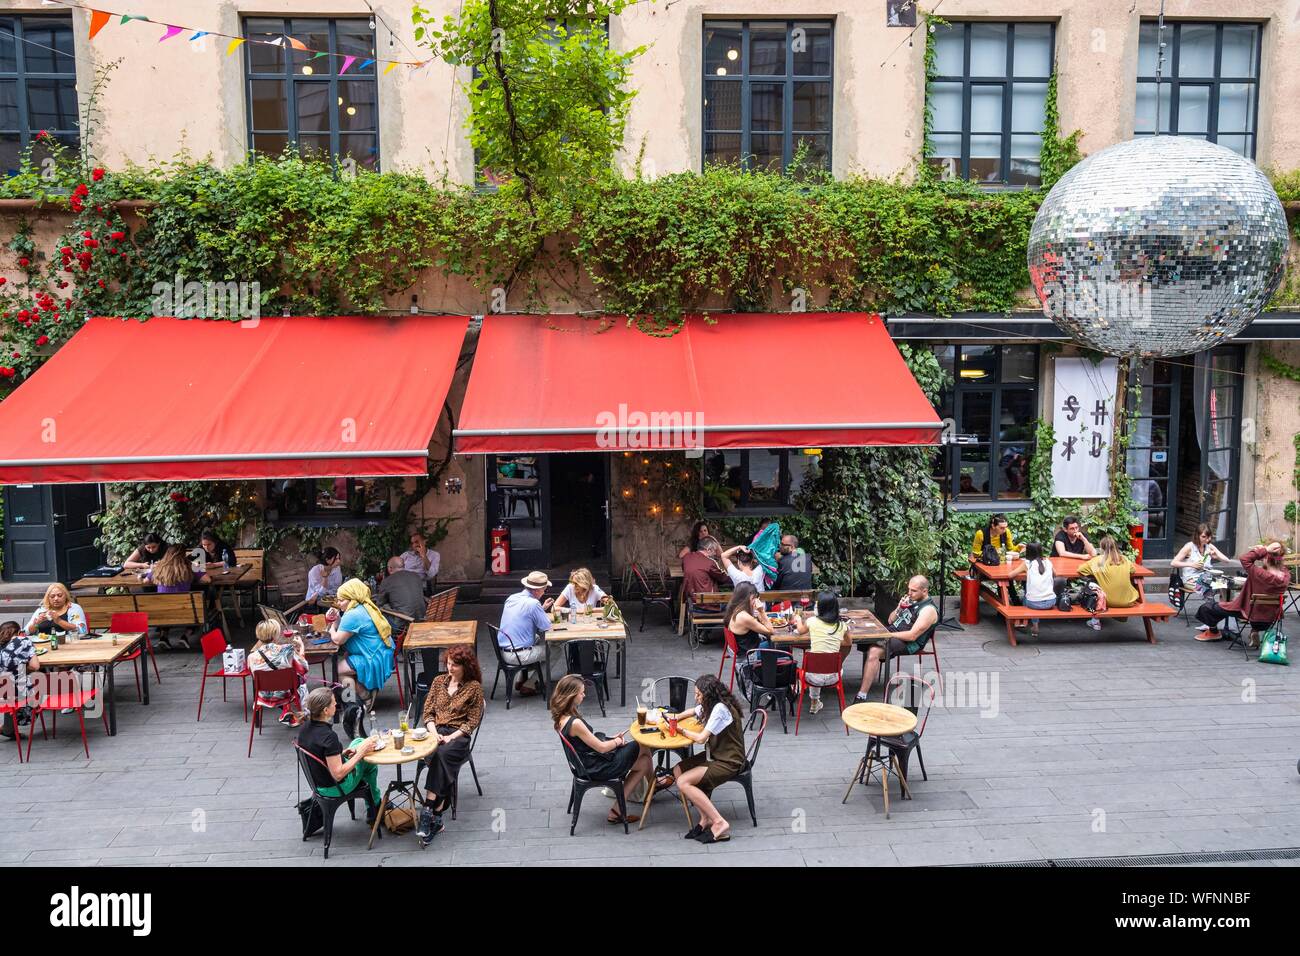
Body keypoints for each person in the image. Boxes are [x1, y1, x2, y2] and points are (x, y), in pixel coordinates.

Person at [552, 674, 653, 827]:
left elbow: (587, 742)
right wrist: (618, 741)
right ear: (571, 695)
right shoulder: (575, 723)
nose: (584, 695)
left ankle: (618, 809)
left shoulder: (562, 717)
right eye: (581, 692)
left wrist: (612, 739)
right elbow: (601, 747)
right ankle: (654, 785)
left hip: (586, 763)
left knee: (645, 761)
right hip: (596, 768)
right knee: (642, 744)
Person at [663, 674, 747, 844]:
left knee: (683, 782)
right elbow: (693, 711)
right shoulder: (711, 705)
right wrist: (674, 718)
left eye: (699, 695)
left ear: (709, 695)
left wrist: (680, 730)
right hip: (715, 753)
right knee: (678, 770)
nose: (696, 698)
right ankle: (705, 818)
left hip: (729, 761)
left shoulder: (720, 709)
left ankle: (719, 822)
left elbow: (701, 739)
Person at [417, 645, 486, 844]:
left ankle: (428, 809)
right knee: (439, 755)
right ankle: (436, 816)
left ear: (466, 666)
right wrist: (434, 733)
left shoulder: (474, 688)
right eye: (448, 663)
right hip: (435, 732)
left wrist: (451, 737)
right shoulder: (438, 682)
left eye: (455, 665)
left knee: (441, 756)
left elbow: (471, 722)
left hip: (458, 736)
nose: (450, 668)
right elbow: (428, 713)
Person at [297, 686, 380, 825]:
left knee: (359, 741)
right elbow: (338, 774)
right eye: (334, 703)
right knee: (369, 763)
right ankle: (374, 806)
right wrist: (360, 753)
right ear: (325, 710)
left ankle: (373, 803)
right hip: (334, 787)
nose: (336, 704)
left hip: (318, 782)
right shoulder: (329, 737)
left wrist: (343, 753)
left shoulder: (305, 727)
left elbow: (319, 754)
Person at [855, 575, 938, 701]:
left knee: (874, 651)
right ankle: (836, 675)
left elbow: (912, 636)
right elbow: (890, 620)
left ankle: (861, 695)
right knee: (860, 636)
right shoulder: (912, 600)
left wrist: (887, 635)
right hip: (892, 632)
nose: (909, 593)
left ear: (924, 591)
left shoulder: (928, 610)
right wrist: (900, 607)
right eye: (909, 589)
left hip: (908, 642)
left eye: (913, 591)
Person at [1194, 541, 1289, 643]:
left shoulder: (1260, 574)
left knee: (1207, 608)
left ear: (1265, 558)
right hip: (1270, 618)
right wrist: (1267, 552)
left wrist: (1264, 550)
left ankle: (1213, 632)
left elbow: (1244, 559)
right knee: (1255, 607)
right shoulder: (1285, 575)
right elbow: (1276, 565)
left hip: (1249, 612)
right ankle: (1254, 631)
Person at [328, 578, 395, 706]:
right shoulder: (365, 606)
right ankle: (351, 701)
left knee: (338, 669)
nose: (339, 603)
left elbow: (338, 639)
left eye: (342, 600)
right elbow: (345, 627)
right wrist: (337, 618)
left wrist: (331, 628)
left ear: (352, 599)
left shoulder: (353, 614)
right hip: (382, 652)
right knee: (346, 667)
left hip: (374, 658)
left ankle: (363, 696)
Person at [497, 570, 554, 697]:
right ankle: (531, 684)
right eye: (544, 589)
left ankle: (521, 678)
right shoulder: (533, 604)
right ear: (537, 590)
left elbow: (524, 615)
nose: (544, 592)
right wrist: (541, 610)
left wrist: (542, 608)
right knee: (555, 651)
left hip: (503, 651)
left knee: (536, 638)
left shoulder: (512, 598)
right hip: (517, 655)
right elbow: (546, 627)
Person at [792, 589, 849, 714]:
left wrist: (798, 619)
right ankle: (815, 703)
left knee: (813, 663)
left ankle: (814, 702)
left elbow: (800, 630)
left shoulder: (812, 621)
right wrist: (834, 641)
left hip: (812, 677)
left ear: (820, 608)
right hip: (835, 676)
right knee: (821, 662)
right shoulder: (842, 626)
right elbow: (848, 643)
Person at [249, 618, 309, 726]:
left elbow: (255, 677)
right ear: (276, 634)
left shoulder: (251, 657)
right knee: (301, 682)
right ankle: (302, 714)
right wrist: (301, 647)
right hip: (286, 693)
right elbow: (304, 668)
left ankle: (288, 712)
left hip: (264, 695)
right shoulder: (287, 650)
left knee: (287, 681)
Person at [1077, 536, 1140, 631]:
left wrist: (1097, 572)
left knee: (1092, 583)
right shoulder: (1124, 559)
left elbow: (1080, 570)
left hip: (1107, 601)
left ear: (1102, 548)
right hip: (1128, 600)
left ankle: (1095, 621)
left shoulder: (1097, 561)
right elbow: (1133, 570)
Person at [1171, 524, 1232, 600]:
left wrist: (1216, 556)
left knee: (1226, 585)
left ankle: (1224, 608)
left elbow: (1227, 560)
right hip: (1192, 580)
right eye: (1203, 537)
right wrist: (1192, 564)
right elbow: (1173, 563)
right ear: (1197, 536)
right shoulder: (1189, 547)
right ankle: (1211, 608)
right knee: (1210, 586)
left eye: (1208, 537)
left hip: (1207, 578)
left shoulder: (1209, 546)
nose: (1206, 539)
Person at [0, 621, 39, 738]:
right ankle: (8, 727)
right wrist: (20, 667)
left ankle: (8, 728)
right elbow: (35, 666)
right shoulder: (23, 640)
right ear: (18, 632)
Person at [1021, 542, 1067, 637]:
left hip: (1033, 603)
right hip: (1050, 602)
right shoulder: (1048, 562)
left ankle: (1032, 625)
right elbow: (1056, 574)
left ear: (1028, 553)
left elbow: (1010, 575)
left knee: (1027, 595)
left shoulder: (1027, 564)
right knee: (1058, 583)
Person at [375, 557, 427, 623]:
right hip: (421, 618)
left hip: (403, 621)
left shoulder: (387, 581)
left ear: (390, 568)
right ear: (404, 566)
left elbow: (379, 603)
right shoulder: (416, 576)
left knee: (383, 607)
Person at [682, 536, 729, 602]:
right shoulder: (710, 563)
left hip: (690, 602)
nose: (715, 553)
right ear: (708, 550)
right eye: (714, 550)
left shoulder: (686, 557)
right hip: (707, 604)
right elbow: (723, 578)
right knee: (733, 602)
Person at [304, 547, 343, 611]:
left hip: (330, 599)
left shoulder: (337, 569)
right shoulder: (314, 572)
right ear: (327, 560)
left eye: (339, 558)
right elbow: (319, 594)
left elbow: (337, 587)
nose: (339, 561)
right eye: (336, 559)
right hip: (313, 603)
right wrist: (325, 578)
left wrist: (329, 593)